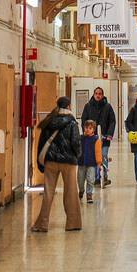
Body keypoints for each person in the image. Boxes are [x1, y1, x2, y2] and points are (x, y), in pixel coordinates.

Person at [31, 95, 82, 232]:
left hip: (51, 161)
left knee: (48, 193)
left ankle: (42, 224)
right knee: (71, 192)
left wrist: (40, 162)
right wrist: (78, 155)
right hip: (69, 162)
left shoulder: (49, 121)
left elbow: (41, 143)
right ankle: (73, 223)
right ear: (69, 106)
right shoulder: (72, 122)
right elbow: (76, 142)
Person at [81, 85, 116, 187]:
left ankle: (104, 176)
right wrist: (87, 132)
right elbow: (84, 120)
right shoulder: (88, 106)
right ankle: (96, 177)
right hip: (92, 138)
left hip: (105, 137)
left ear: (103, 95)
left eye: (100, 94)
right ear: (93, 94)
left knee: (103, 156)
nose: (98, 96)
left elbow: (112, 121)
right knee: (94, 157)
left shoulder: (108, 107)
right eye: (96, 94)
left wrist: (109, 134)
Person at [77, 117, 103, 203]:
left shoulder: (96, 140)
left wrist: (99, 163)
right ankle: (81, 190)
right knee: (80, 179)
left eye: (90, 128)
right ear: (84, 128)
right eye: (86, 128)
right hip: (81, 163)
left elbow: (98, 152)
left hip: (92, 163)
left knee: (90, 179)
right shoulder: (81, 138)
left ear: (93, 130)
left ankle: (89, 194)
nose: (88, 130)